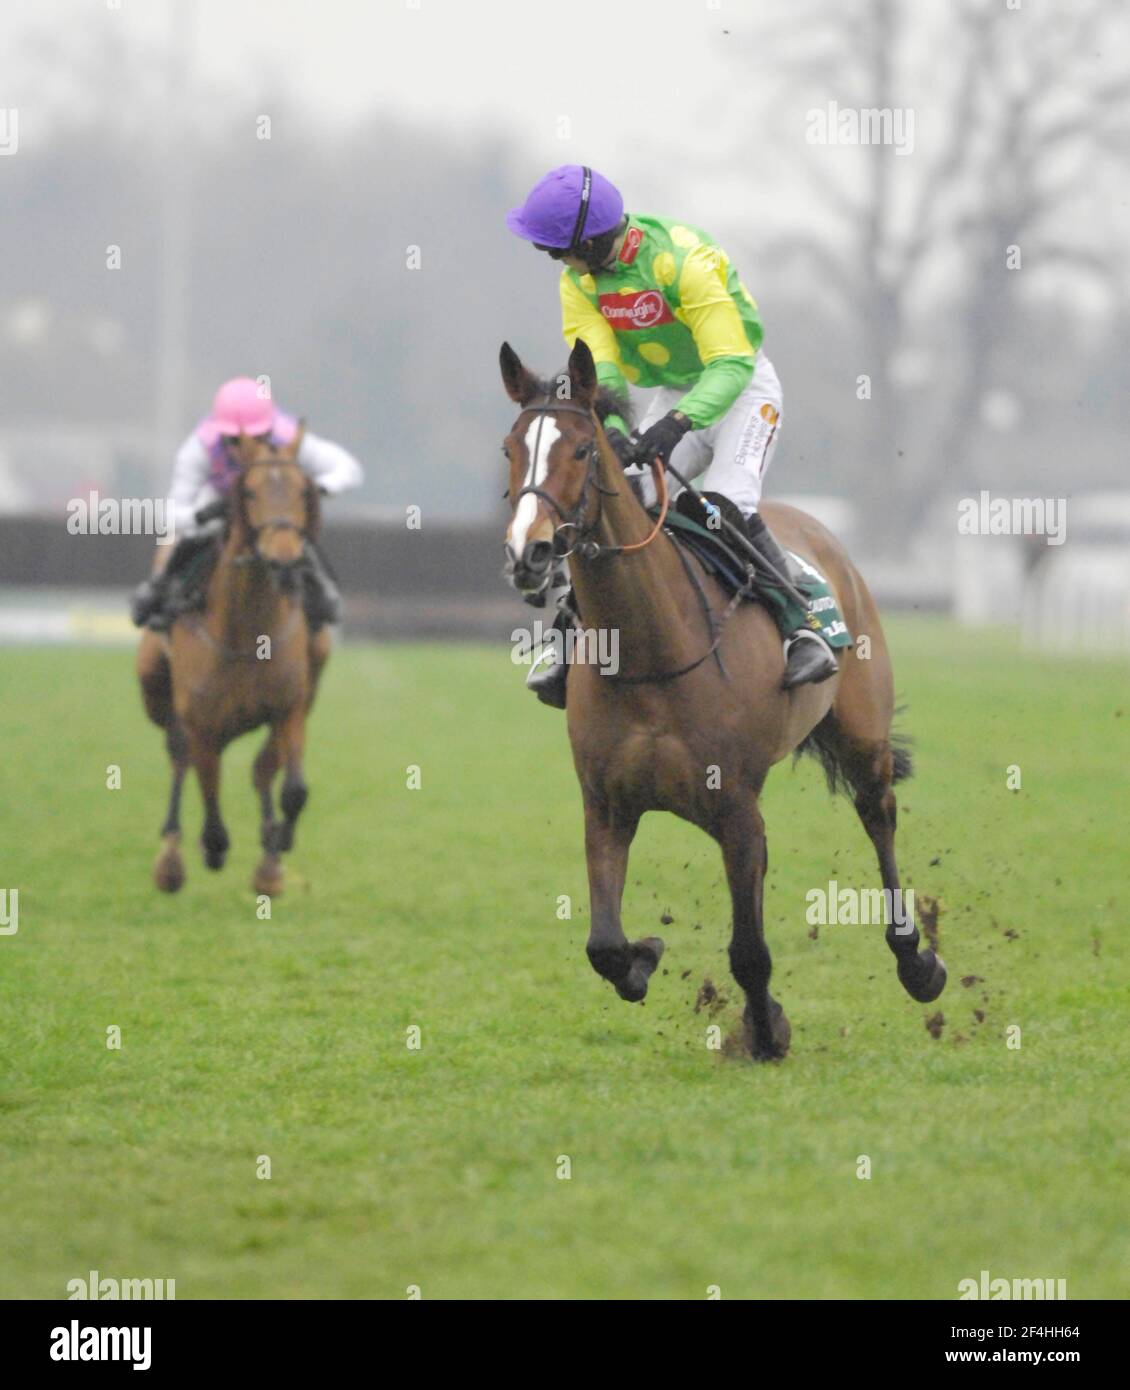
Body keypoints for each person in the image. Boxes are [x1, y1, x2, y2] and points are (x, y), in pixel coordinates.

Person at [505, 164, 838, 706]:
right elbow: (602, 379)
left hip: (742, 389)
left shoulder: (684, 260)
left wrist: (675, 425)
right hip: (672, 391)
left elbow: (730, 364)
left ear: (588, 241)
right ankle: (570, 630)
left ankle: (802, 628)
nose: (554, 260)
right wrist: (613, 430)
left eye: (555, 249)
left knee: (722, 506)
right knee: (611, 495)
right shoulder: (579, 281)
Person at [130, 377, 363, 631]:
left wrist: (315, 489)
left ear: (269, 430)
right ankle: (160, 588)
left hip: (268, 505)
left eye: (256, 437)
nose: (244, 448)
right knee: (192, 535)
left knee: (290, 534)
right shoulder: (198, 448)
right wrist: (203, 515)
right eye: (233, 440)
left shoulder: (287, 435)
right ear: (221, 433)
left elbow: (348, 469)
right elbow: (171, 514)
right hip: (218, 499)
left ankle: (319, 589)